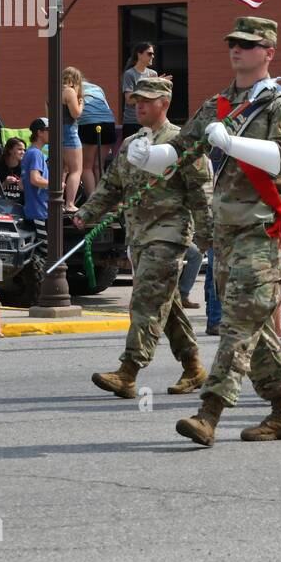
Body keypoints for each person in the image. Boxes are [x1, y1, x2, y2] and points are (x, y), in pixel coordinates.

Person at [130, 17, 281, 445]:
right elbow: (181, 150)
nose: (237, 50)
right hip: (226, 235)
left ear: (268, 52)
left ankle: (209, 413)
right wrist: (146, 156)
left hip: (262, 232)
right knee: (255, 329)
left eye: (247, 44)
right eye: (233, 43)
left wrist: (230, 143)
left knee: (237, 327)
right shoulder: (217, 105)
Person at [77, 77, 213, 398]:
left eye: (146, 101)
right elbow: (112, 184)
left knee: (146, 301)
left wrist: (209, 237)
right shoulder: (130, 144)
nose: (138, 105)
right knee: (166, 305)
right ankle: (193, 367)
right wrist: (88, 213)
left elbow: (202, 192)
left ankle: (129, 371)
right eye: (135, 100)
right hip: (138, 237)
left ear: (164, 103)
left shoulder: (182, 143)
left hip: (169, 236)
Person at [77, 74, 116, 196]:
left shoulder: (71, 89)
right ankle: (103, 198)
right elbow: (106, 106)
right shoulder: (96, 88)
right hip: (109, 123)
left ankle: (92, 201)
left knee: (86, 166)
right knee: (99, 164)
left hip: (89, 122)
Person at [121, 43, 159, 141]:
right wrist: (148, 87)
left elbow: (155, 98)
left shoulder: (153, 74)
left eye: (153, 54)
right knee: (131, 154)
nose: (153, 56)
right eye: (149, 54)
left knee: (149, 154)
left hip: (149, 121)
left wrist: (161, 85)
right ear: (139, 55)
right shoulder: (129, 74)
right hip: (133, 122)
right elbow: (129, 100)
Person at [22, 118, 51, 245]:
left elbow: (22, 184)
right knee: (47, 251)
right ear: (40, 132)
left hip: (34, 209)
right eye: (49, 130)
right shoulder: (36, 154)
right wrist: (55, 185)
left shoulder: (29, 152)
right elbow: (35, 179)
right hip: (39, 211)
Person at [61, 67, 85, 212]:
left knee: (62, 169)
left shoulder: (51, 91)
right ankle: (69, 203)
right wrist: (81, 103)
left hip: (56, 132)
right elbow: (75, 114)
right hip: (69, 130)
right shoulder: (69, 91)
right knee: (76, 170)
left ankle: (59, 201)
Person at [0, 136, 26, 202]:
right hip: (0, 207)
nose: (23, 152)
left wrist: (23, 186)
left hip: (20, 207)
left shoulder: (25, 168)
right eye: (19, 149)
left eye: (24, 150)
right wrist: (4, 184)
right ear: (10, 150)